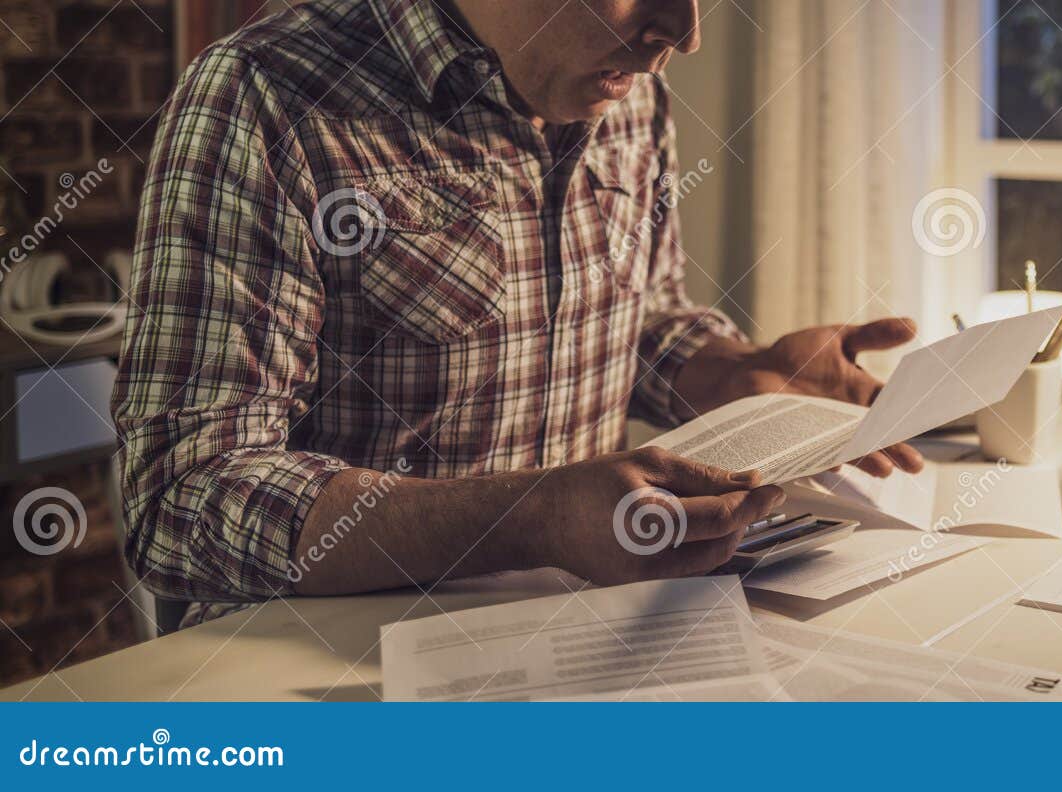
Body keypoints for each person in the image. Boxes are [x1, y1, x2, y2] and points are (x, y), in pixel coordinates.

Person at [113, 0, 922, 626]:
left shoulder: (625, 89)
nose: (684, 30)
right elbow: (182, 499)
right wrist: (530, 520)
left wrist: (735, 372)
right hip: (333, 682)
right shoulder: (265, 96)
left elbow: (632, 317)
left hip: (587, 645)